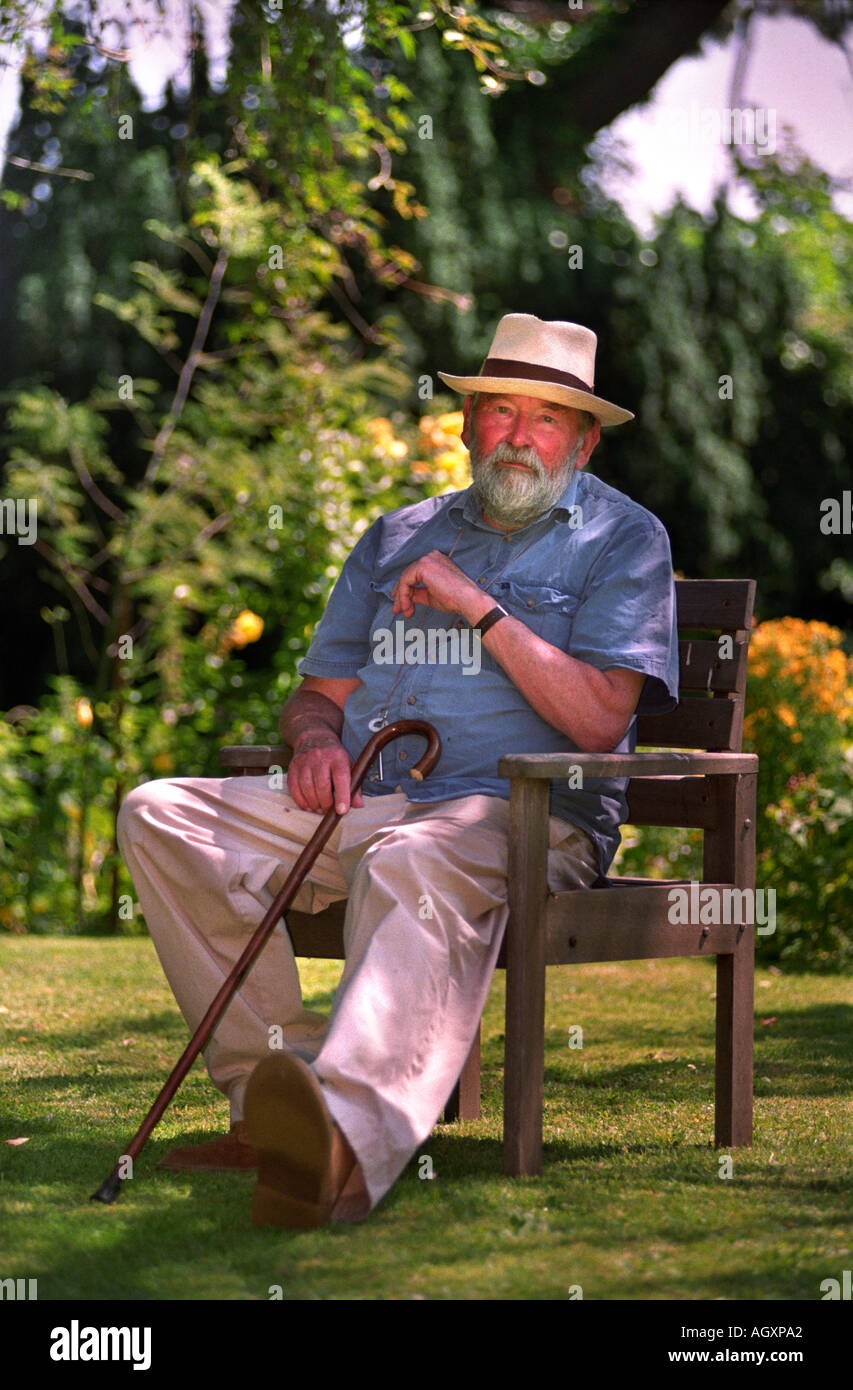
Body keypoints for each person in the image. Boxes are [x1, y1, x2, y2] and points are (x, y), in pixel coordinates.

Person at [117, 313, 679, 1228]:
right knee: (158, 812)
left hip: (521, 817)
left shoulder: (622, 540)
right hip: (369, 799)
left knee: (412, 858)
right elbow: (315, 694)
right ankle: (278, 1095)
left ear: (582, 439)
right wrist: (312, 743)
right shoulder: (396, 536)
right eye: (499, 412)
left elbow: (599, 718)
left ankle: (339, 1142)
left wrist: (481, 608)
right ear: (466, 425)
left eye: (545, 421)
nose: (518, 437)